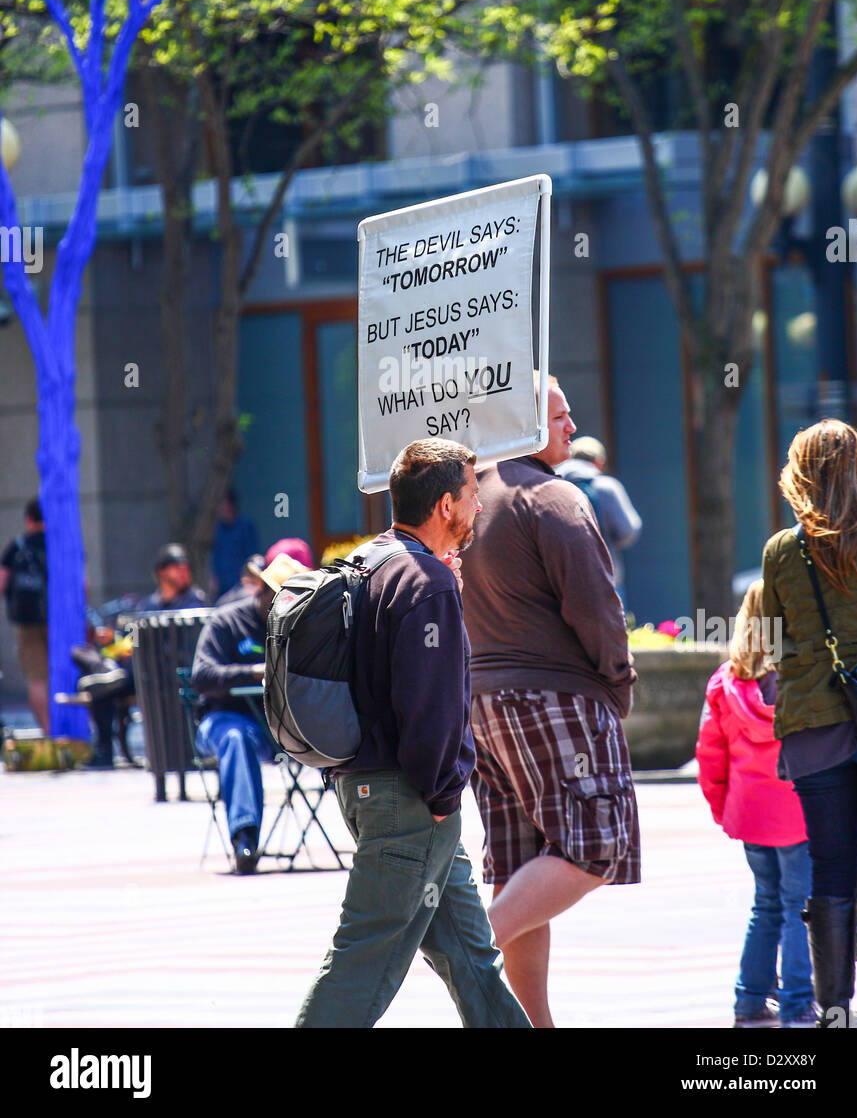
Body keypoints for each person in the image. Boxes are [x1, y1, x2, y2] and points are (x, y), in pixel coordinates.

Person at [295, 439, 530, 1029]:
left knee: (473, 961)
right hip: (412, 802)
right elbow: (430, 709)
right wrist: (443, 796)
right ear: (446, 505)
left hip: (369, 788)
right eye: (473, 494)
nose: (480, 506)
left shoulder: (369, 562)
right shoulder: (427, 582)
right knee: (364, 958)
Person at [459, 373, 640, 1028]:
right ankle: (467, 945)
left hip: (483, 705)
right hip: (553, 697)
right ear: (525, 424)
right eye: (560, 416)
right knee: (597, 846)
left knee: (519, 866)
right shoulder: (553, 497)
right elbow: (598, 607)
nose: (572, 426)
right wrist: (618, 682)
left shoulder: (466, 501)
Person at [762, 418, 857, 1028]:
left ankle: (833, 1011)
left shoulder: (782, 550)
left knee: (830, 868)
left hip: (814, 726)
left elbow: (773, 644)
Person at [696, 579, 816, 1029]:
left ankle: (749, 1001)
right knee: (798, 907)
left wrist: (723, 809)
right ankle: (798, 1003)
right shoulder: (804, 680)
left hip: (751, 815)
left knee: (765, 904)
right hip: (798, 812)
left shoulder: (724, 683)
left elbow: (709, 754)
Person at [191, 552, 304, 874]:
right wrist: (254, 672)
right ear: (263, 591)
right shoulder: (227, 621)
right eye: (280, 597)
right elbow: (202, 677)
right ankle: (245, 837)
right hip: (226, 720)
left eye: (294, 600)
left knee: (344, 729)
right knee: (235, 738)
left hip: (283, 727)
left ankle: (369, 833)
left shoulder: (299, 627)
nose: (286, 606)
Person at [77, 544, 207, 762]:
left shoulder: (194, 601)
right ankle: (104, 750)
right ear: (162, 571)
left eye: (186, 568)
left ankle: (111, 673)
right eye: (178, 568)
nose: (184, 573)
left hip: (172, 674)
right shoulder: (148, 604)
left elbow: (187, 643)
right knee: (99, 684)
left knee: (113, 680)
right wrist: (115, 640)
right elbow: (134, 638)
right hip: (143, 673)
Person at [557, 436, 642, 609]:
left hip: (562, 581)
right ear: (599, 462)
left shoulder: (554, 484)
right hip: (605, 578)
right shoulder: (606, 487)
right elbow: (628, 531)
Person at [1, 498, 49, 732]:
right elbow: (83, 585)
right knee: (66, 673)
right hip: (59, 621)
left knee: (36, 679)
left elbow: (2, 583)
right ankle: (71, 731)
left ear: (29, 519)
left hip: (27, 622)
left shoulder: (16, 546)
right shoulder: (61, 544)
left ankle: (50, 732)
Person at [211, 490, 260, 599]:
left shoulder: (245, 526)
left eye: (225, 505)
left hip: (242, 586)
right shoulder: (218, 528)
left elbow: (252, 556)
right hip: (223, 587)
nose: (222, 509)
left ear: (232, 505)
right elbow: (216, 556)